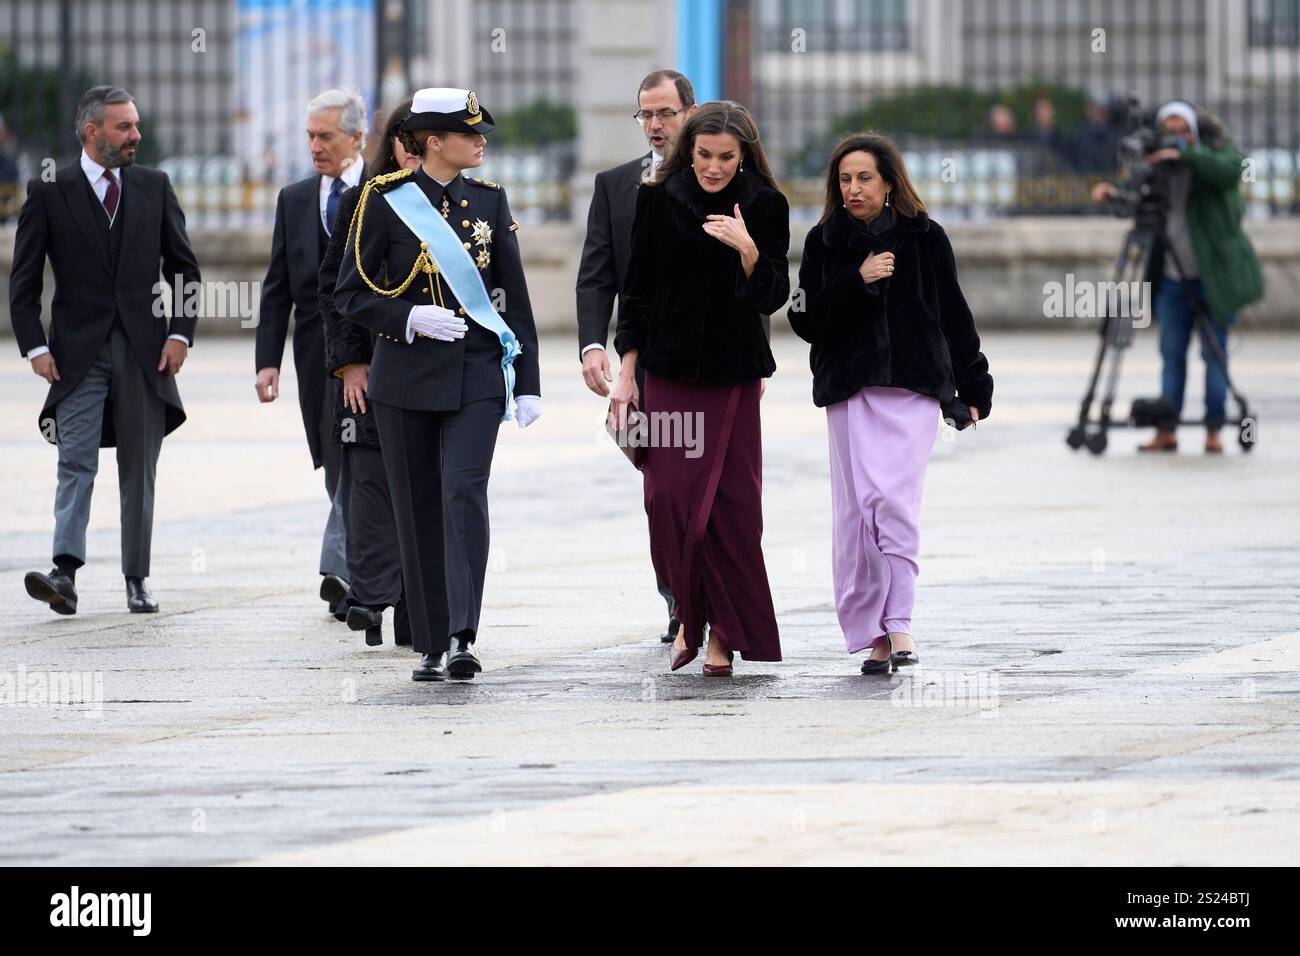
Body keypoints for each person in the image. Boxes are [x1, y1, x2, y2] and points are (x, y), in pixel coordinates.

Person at [335, 88, 541, 682]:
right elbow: (349, 291)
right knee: (417, 504)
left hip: (476, 372)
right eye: (469, 133)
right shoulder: (384, 202)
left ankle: (461, 634)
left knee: (462, 494)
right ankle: (427, 640)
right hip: (404, 375)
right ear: (432, 143)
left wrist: (525, 380)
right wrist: (405, 319)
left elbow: (515, 302)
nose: (481, 142)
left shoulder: (490, 202)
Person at [787, 132, 993, 674]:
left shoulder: (925, 239)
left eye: (865, 178)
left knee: (893, 503)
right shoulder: (823, 242)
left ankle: (899, 622)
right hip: (851, 393)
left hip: (912, 392)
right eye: (844, 180)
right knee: (856, 516)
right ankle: (872, 636)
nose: (853, 189)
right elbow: (804, 319)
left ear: (889, 182)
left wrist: (973, 389)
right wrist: (856, 281)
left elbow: (953, 316)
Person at [611, 101, 788, 676]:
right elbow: (635, 294)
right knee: (667, 500)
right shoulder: (657, 200)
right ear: (689, 151)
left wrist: (747, 248)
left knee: (730, 510)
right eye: (704, 155)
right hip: (667, 372)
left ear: (745, 156)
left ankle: (723, 635)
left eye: (726, 158)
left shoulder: (766, 203)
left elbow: (773, 295)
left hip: (733, 377)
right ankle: (690, 612)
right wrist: (625, 375)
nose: (713, 167)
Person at [9, 85, 200, 615]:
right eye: (125, 127)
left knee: (140, 468)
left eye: (136, 125)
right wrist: (35, 347)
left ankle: (137, 578)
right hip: (75, 356)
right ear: (93, 132)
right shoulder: (49, 190)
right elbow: (23, 283)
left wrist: (180, 333)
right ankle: (64, 573)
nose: (136, 135)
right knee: (75, 462)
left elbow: (184, 268)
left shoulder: (155, 187)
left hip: (146, 352)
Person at [575, 68, 697, 644]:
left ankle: (707, 598)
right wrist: (594, 344)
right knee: (661, 491)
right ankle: (676, 597)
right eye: (645, 114)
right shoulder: (615, 185)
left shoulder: (722, 179)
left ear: (689, 113)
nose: (654, 125)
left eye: (665, 113)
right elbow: (597, 273)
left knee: (709, 488)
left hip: (713, 360)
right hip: (641, 361)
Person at [1091, 101, 1264, 453]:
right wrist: (1113, 191)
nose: (1175, 138)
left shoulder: (1214, 157)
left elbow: (1229, 170)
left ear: (1194, 133)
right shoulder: (1158, 168)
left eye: (1182, 130)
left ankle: (1214, 430)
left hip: (1213, 277)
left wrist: (1187, 154)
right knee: (1171, 352)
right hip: (1172, 278)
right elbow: (1135, 189)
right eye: (1169, 131)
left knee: (1214, 353)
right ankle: (1166, 428)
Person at [255, 88, 367, 617]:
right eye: (310, 135)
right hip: (314, 356)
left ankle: (341, 568)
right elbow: (277, 286)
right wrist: (267, 360)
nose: (314, 146)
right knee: (332, 456)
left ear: (357, 138)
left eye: (325, 135)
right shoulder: (294, 198)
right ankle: (361, 569)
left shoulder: (385, 190)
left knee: (359, 452)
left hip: (372, 349)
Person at [318, 98, 419, 648]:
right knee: (370, 491)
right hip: (368, 374)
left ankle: (415, 609)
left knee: (421, 490)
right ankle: (371, 599)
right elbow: (333, 289)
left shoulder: (462, 205)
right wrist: (350, 362)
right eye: (409, 139)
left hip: (429, 374)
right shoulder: (364, 200)